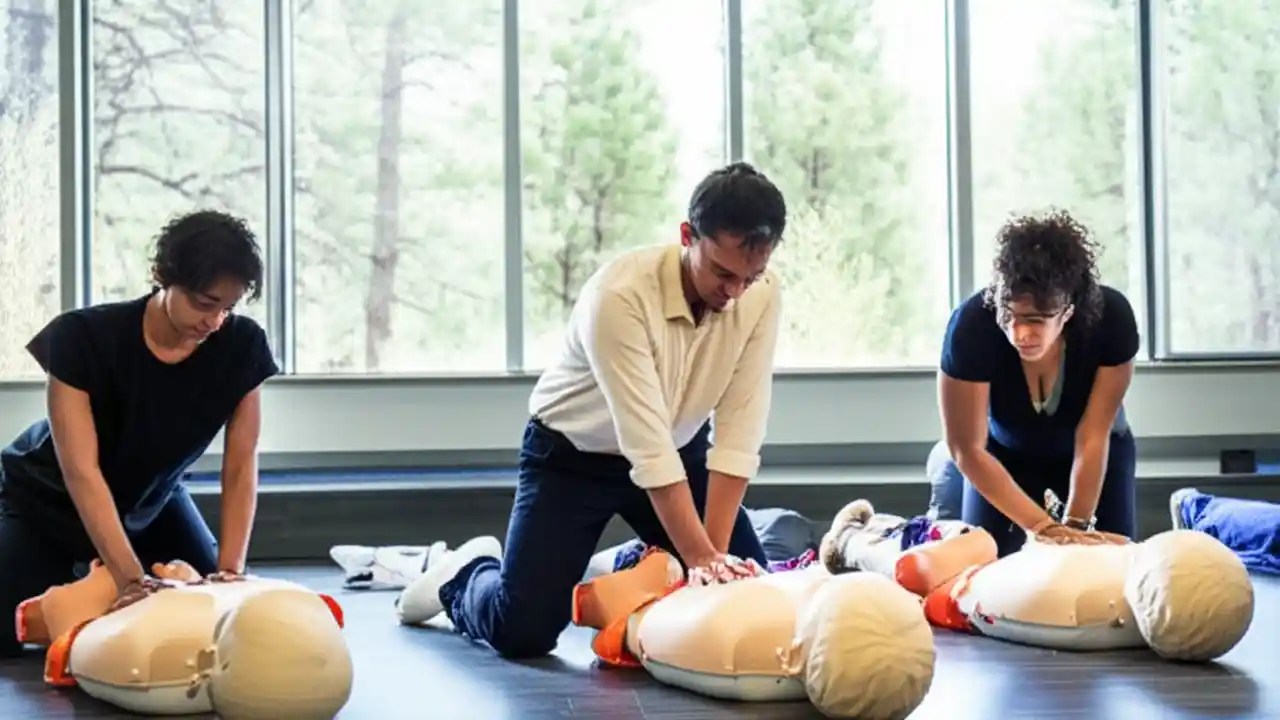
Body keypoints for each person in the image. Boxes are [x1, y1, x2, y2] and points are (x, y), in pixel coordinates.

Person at [395, 162, 786, 658]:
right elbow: (647, 448)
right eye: (723, 273)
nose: (734, 293)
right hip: (572, 458)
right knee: (525, 632)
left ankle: (629, 563)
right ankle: (463, 575)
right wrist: (699, 560)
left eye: (749, 278)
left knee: (745, 595)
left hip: (679, 452)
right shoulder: (618, 297)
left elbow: (738, 432)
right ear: (688, 236)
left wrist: (712, 562)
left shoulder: (762, 295)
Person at [0, 210, 279, 656]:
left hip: (151, 500)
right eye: (205, 304)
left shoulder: (242, 345)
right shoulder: (82, 337)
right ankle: (94, 582)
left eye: (228, 308)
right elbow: (81, 472)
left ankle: (98, 585)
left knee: (213, 611)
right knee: (5, 631)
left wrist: (231, 574)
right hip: (46, 498)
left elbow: (242, 463)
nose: (214, 322)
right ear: (161, 276)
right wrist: (130, 582)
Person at [935, 209, 1139, 557]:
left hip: (1094, 451)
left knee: (1106, 566)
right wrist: (1045, 529)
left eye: (1037, 320)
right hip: (1000, 457)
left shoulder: (1111, 320)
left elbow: (1093, 435)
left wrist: (1074, 531)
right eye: (1008, 315)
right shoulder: (971, 326)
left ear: (1068, 312)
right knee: (984, 564)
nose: (1019, 333)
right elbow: (967, 448)